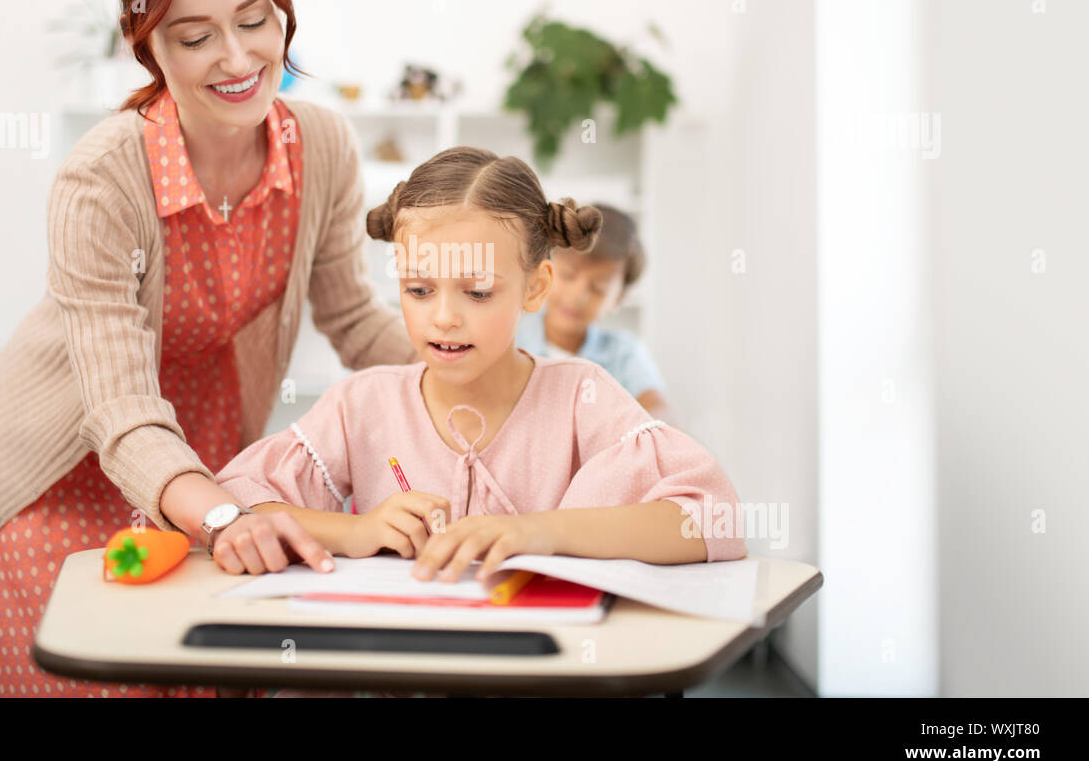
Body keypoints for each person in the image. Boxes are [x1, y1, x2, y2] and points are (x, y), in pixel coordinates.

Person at [0, 0, 416, 698]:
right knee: (94, 674)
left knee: (216, 671)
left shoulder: (321, 146)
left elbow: (353, 316)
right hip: (62, 471)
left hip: (207, 463)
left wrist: (481, 369)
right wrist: (229, 517)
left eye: (256, 20)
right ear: (150, 46)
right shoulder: (104, 178)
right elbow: (119, 410)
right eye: (196, 37)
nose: (236, 58)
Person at [216, 148, 748, 695]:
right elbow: (233, 502)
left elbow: (712, 520)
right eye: (418, 290)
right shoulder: (363, 402)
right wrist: (356, 531)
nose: (444, 316)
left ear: (536, 287)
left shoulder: (580, 395)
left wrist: (539, 532)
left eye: (477, 291)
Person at [517, 202, 676, 425]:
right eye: (568, 276)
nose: (578, 296)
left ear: (618, 299)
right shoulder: (509, 340)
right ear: (544, 273)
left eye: (598, 288)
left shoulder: (623, 353)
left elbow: (660, 410)